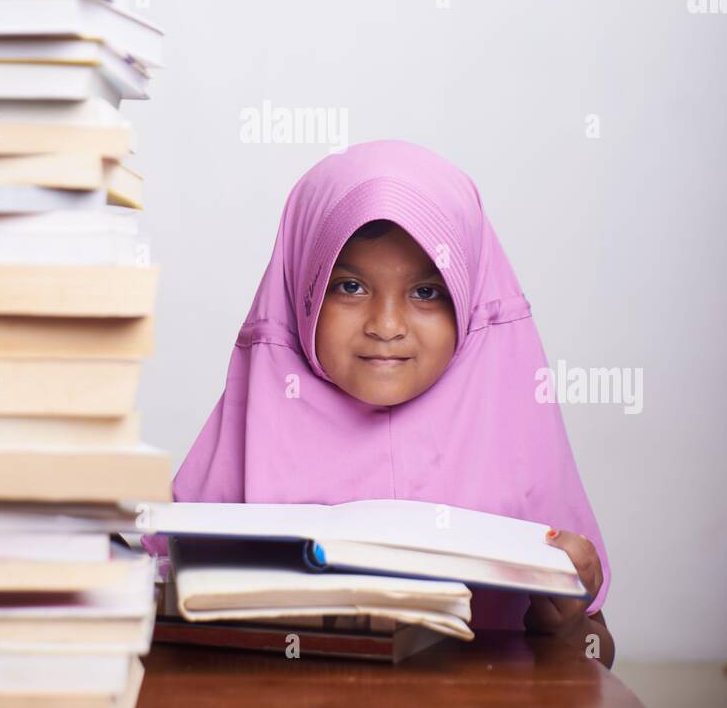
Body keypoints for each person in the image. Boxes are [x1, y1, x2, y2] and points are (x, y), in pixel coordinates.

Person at [146, 139, 614, 666]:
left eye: (427, 292)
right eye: (348, 286)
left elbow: (598, 657)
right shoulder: (249, 433)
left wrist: (563, 625)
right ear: (301, 289)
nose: (386, 326)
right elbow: (158, 639)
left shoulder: (515, 432)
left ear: (471, 301)